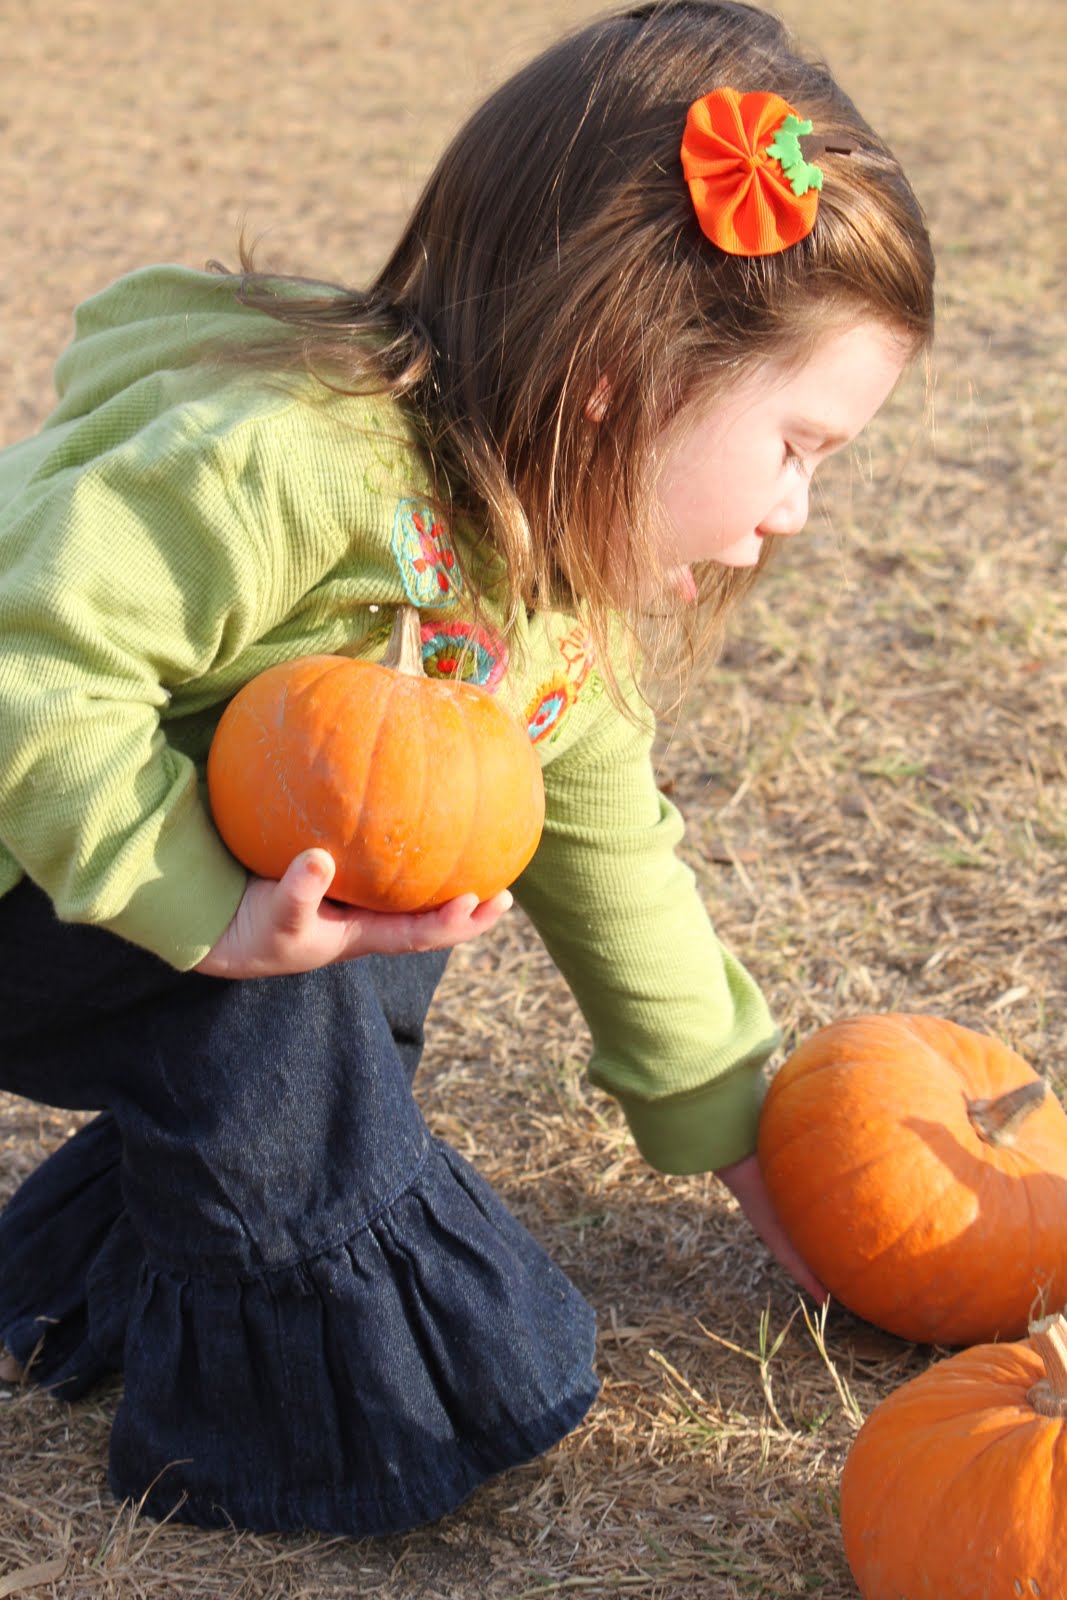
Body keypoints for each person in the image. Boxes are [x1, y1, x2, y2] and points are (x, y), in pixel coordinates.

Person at [0, 0, 934, 1539]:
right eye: (798, 447)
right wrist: (198, 906)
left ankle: (135, 1274)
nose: (800, 511)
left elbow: (613, 855)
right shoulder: (293, 463)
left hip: (161, 900)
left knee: (390, 896)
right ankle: (286, 1434)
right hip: (35, 857)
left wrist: (741, 1134)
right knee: (282, 1012)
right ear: (620, 378)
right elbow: (34, 653)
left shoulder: (551, 595)